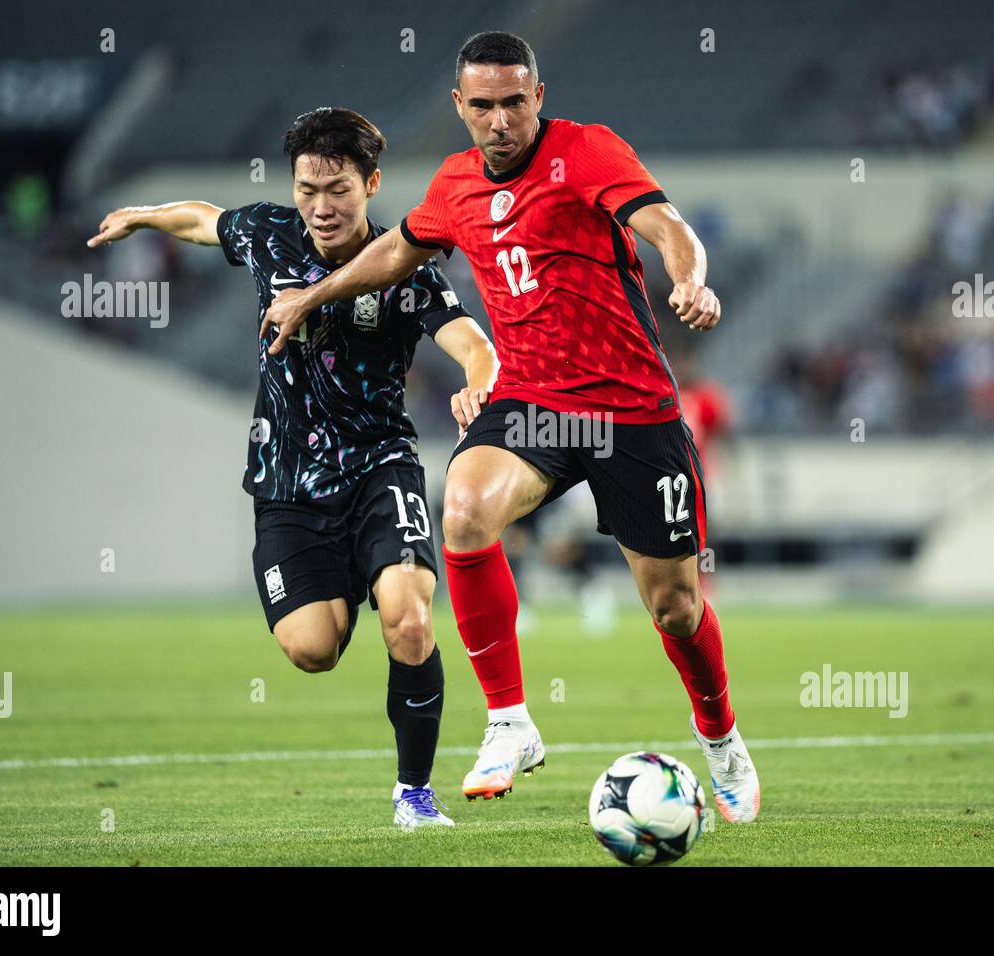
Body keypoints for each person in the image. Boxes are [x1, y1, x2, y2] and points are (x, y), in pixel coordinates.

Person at [263, 36, 759, 823]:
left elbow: (667, 226)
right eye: (483, 106)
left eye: (514, 102)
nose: (500, 121)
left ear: (537, 96)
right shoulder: (454, 183)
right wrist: (313, 295)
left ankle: (720, 734)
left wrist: (689, 276)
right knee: (461, 509)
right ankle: (509, 722)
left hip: (630, 408)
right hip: (532, 399)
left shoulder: (587, 152)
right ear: (460, 107)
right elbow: (397, 250)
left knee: (675, 608)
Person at [88, 107, 498, 829]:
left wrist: (477, 377)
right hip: (287, 486)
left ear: (370, 184)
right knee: (313, 650)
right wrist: (148, 215)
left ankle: (414, 796)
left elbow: (472, 342)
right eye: (308, 188)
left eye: (336, 188)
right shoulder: (270, 234)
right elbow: (204, 220)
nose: (320, 205)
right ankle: (342, 595)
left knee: (408, 617)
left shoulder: (402, 261)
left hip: (380, 468)